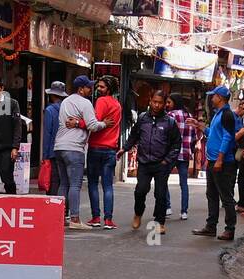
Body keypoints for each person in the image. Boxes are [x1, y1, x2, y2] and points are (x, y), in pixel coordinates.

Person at [54, 75, 112, 230]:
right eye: (88, 87)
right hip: (74, 148)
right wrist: (104, 124)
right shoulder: (85, 103)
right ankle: (74, 219)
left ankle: (59, 217)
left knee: (64, 184)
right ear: (81, 89)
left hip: (59, 146)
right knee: (75, 184)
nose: (90, 89)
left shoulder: (65, 101)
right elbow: (93, 125)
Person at [120, 90, 180, 235]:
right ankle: (138, 213)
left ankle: (160, 222)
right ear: (150, 101)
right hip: (144, 163)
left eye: (160, 102)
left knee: (160, 194)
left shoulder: (170, 122)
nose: (157, 105)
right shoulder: (142, 118)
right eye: (154, 102)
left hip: (161, 164)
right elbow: (134, 136)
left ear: (164, 104)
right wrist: (124, 148)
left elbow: (176, 144)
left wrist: (167, 161)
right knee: (140, 190)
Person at [193, 86, 238, 241]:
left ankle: (229, 229)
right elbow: (213, 133)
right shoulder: (218, 115)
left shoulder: (227, 115)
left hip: (223, 163)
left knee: (226, 197)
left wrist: (220, 159)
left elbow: (227, 138)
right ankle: (211, 226)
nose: (211, 99)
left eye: (213, 96)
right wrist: (199, 126)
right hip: (213, 161)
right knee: (211, 194)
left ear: (219, 97)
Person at [85, 75, 122, 229]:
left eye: (102, 87)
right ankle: (108, 220)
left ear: (109, 89)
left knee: (93, 183)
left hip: (96, 147)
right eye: (98, 86)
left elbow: (94, 122)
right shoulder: (117, 105)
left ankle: (96, 217)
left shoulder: (101, 101)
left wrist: (78, 122)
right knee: (107, 185)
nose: (98, 89)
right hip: (110, 149)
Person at [166, 93, 198, 221]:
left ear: (175, 102)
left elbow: (165, 135)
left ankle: (167, 207)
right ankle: (184, 211)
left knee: (163, 180)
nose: (167, 105)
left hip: (171, 153)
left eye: (169, 102)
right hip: (184, 154)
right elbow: (194, 137)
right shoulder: (189, 116)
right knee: (184, 184)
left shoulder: (171, 116)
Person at [41, 81, 66, 197]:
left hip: (53, 151)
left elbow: (47, 133)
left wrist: (45, 155)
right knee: (65, 181)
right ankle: (65, 208)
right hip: (67, 149)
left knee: (54, 180)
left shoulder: (50, 110)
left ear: (52, 95)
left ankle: (53, 207)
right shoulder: (67, 109)